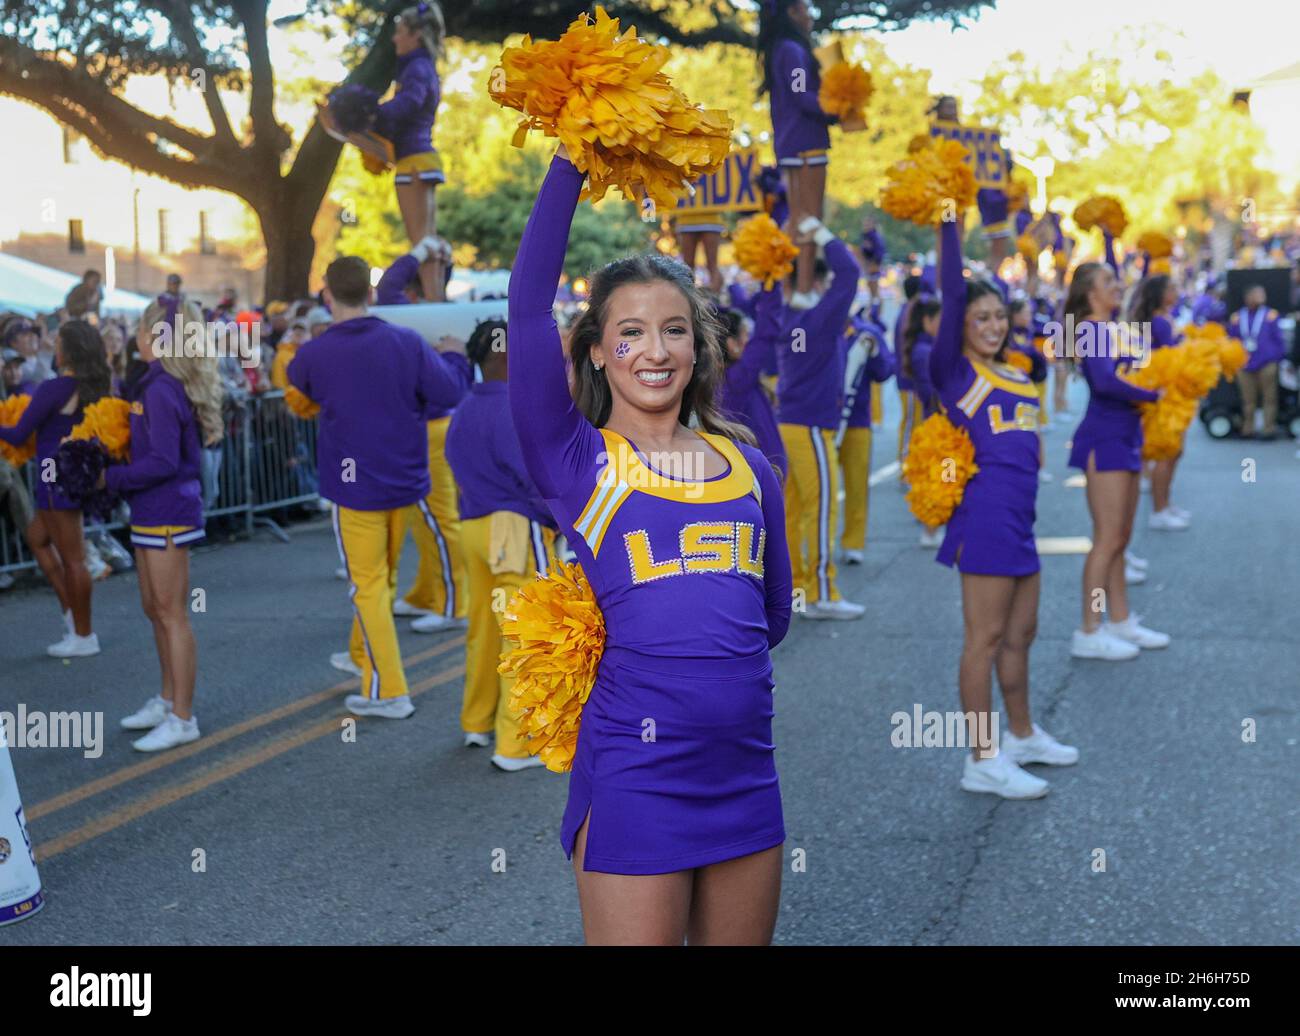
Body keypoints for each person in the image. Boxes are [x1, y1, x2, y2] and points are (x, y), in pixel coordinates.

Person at [510, 146, 793, 945]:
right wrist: (571, 153)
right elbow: (527, 309)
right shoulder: (579, 462)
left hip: (745, 772)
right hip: (637, 777)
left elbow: (771, 618)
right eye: (629, 333)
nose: (656, 351)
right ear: (596, 350)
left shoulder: (748, 465)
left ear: (699, 346)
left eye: (674, 330)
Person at [931, 215, 1077, 799]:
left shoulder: (1016, 375)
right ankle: (981, 758)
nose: (990, 326)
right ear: (960, 325)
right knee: (984, 639)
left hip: (1021, 523)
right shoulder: (955, 372)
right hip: (984, 522)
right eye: (978, 318)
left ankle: (1020, 734)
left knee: (1022, 635)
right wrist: (950, 224)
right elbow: (949, 286)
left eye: (997, 317)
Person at [287, 256, 469, 718]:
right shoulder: (405, 341)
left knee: (367, 584)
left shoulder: (317, 352)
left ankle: (388, 690)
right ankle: (362, 656)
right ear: (369, 293)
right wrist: (451, 353)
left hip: (356, 489)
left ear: (327, 295)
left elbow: (300, 384)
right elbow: (448, 393)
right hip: (404, 479)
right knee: (380, 580)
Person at [444, 318, 557, 771]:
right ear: (506, 355)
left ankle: (477, 721)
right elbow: (532, 477)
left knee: (484, 629)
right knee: (523, 634)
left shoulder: (466, 405)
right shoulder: (513, 406)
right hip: (511, 526)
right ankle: (514, 743)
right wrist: (558, 518)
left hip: (473, 524)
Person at [113, 300, 225, 751]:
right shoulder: (155, 383)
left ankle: (183, 716)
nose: (134, 337)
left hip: (167, 511)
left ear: (156, 338)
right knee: (155, 609)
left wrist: (112, 477)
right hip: (150, 510)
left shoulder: (161, 389)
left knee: (173, 613)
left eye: (141, 329)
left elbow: (161, 461)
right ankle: (166, 698)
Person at [1064, 263, 1170, 661]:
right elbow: (1106, 382)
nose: (1118, 286)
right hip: (1104, 439)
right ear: (1091, 294)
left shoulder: (1112, 328)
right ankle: (1089, 628)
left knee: (1121, 539)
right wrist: (1153, 395)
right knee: (1107, 540)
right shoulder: (1091, 330)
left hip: (1125, 437)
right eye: (1108, 282)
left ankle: (1121, 620)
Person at [0, 320, 111, 657]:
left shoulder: (54, 388)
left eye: (57, 341)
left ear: (69, 349)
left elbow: (19, 434)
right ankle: (72, 619)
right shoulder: (96, 384)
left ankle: (84, 633)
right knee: (38, 539)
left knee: (73, 558)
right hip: (73, 470)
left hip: (53, 471)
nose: (52, 345)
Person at [774, 226, 865, 619]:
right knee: (822, 507)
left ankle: (799, 591)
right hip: (809, 424)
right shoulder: (816, 318)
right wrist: (821, 232)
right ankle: (822, 592)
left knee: (794, 512)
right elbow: (850, 274)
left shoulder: (788, 317)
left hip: (790, 422)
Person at [758, 0, 838, 307]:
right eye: (805, 7)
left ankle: (786, 288)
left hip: (792, 144)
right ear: (791, 12)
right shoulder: (791, 49)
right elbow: (802, 96)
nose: (810, 14)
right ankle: (800, 291)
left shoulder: (782, 47)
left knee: (799, 220)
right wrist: (838, 107)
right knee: (808, 220)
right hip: (805, 143)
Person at [375, 2, 449, 302]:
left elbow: (409, 104)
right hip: (422, 160)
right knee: (427, 241)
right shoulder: (423, 66)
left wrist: (372, 114)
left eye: (400, 32)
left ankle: (435, 306)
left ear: (416, 35)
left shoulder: (416, 68)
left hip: (413, 162)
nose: (395, 39)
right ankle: (436, 300)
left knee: (422, 242)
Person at [1129, 275, 1190, 529]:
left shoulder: (1160, 318)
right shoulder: (1158, 321)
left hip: (1169, 391)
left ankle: (1165, 503)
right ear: (1159, 293)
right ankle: (1159, 509)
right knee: (1167, 451)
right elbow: (1169, 356)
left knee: (1174, 451)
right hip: (1165, 393)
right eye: (1172, 288)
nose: (1176, 291)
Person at [836, 310, 894, 564]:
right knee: (817, 491)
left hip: (857, 420)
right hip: (822, 421)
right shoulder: (815, 325)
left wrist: (874, 351)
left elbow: (885, 371)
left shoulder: (868, 333)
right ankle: (818, 543)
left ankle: (853, 542)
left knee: (857, 486)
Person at [715, 303, 787, 483]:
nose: (749, 340)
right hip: (759, 477)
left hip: (754, 475)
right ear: (732, 345)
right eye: (746, 334)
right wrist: (770, 283)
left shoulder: (723, 378)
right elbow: (766, 332)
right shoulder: (738, 378)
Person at [898, 297, 942, 546]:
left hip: (933, 419)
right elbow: (930, 391)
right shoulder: (924, 351)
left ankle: (931, 525)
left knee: (936, 475)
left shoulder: (924, 348)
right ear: (927, 321)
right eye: (940, 319)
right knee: (939, 476)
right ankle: (930, 529)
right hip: (935, 421)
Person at [1228, 284, 1284, 440]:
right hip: (1244, 364)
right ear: (1248, 297)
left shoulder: (1271, 315)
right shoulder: (1237, 317)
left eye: (1262, 294)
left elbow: (1279, 340)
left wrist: (1275, 359)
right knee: (1248, 400)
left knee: (1269, 398)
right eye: (1257, 294)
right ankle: (1248, 428)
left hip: (1267, 364)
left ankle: (1268, 429)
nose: (1261, 297)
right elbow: (1232, 341)